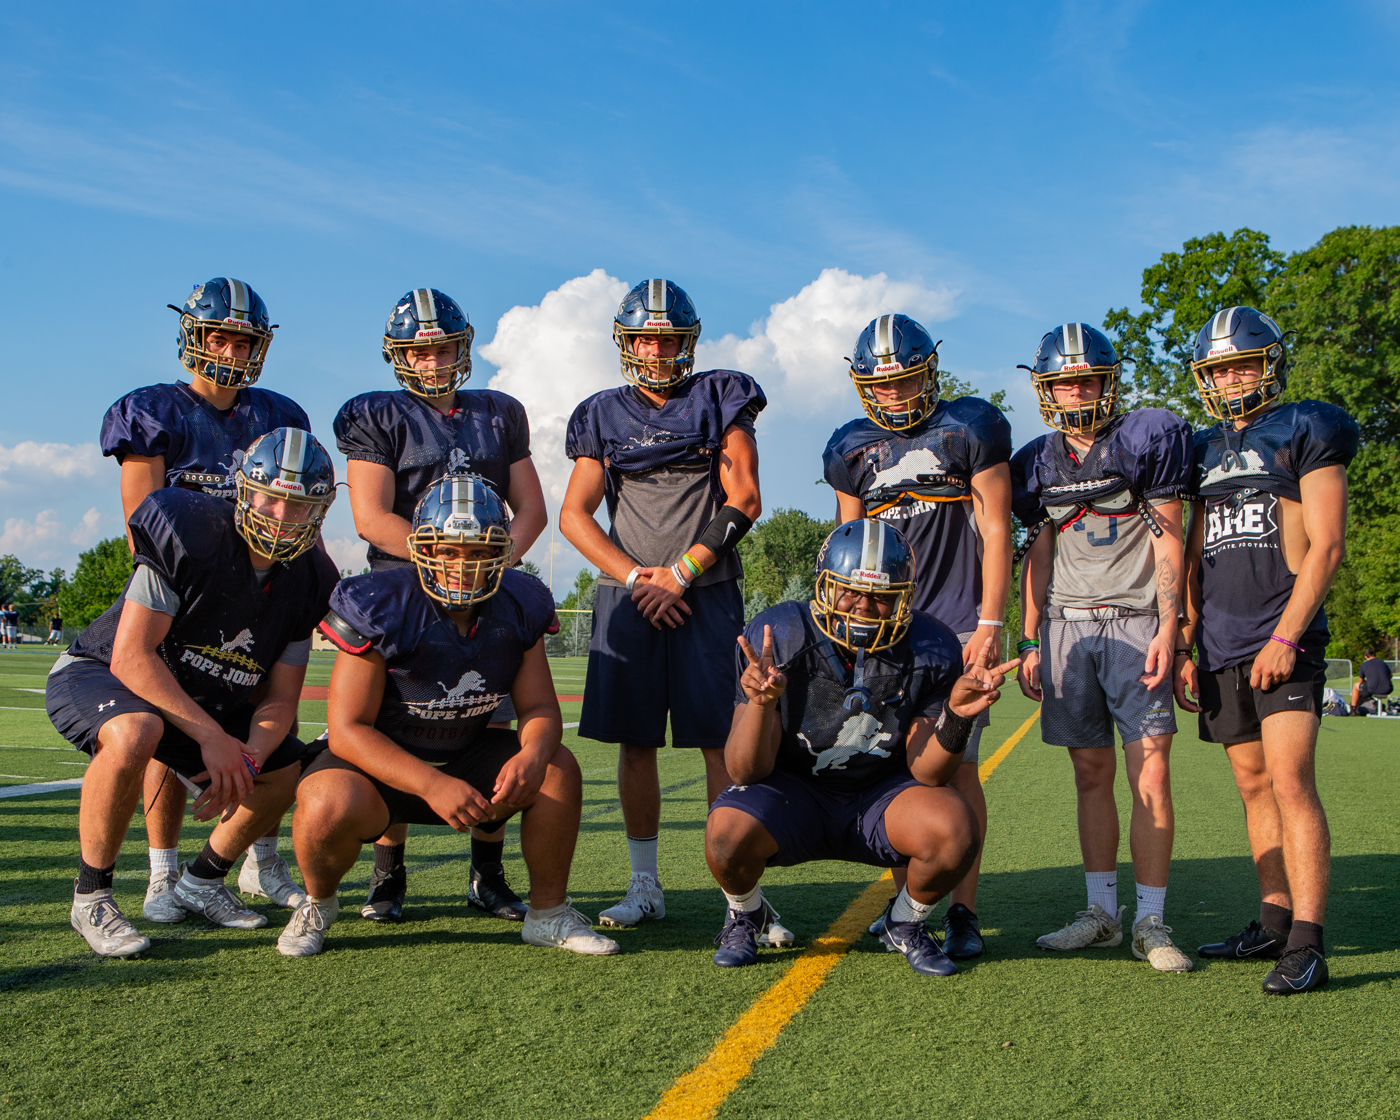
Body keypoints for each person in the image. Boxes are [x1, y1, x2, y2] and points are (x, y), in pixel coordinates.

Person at [280, 474, 617, 958]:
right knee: (323, 799)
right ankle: (319, 902)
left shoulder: (521, 603)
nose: (463, 565)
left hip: (466, 756)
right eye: (448, 550)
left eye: (479, 551)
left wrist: (535, 751)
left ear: (500, 552)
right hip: (383, 769)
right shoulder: (381, 601)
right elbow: (348, 730)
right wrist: (431, 785)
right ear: (423, 550)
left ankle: (547, 913)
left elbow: (540, 708)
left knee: (556, 768)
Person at [46, 429, 339, 957]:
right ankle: (92, 896)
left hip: (198, 698)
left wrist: (248, 756)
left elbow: (279, 700)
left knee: (288, 767)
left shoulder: (311, 577)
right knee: (138, 730)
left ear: (320, 511)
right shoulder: (193, 532)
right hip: (102, 673)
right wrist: (211, 738)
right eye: (269, 496)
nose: (279, 514)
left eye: (298, 505)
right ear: (242, 491)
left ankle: (203, 881)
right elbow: (132, 656)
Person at [559, 278, 780, 938]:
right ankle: (644, 884)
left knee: (720, 743)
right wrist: (636, 579)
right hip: (629, 601)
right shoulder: (602, 413)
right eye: (644, 338)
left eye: (668, 338)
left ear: (689, 342)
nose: (656, 350)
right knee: (636, 744)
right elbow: (574, 515)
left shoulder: (720, 397)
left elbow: (744, 497)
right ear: (626, 342)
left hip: (704, 595)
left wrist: (680, 574)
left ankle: (738, 897)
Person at [705, 519, 1016, 974]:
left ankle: (905, 922)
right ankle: (747, 912)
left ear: (905, 596)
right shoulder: (782, 633)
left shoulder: (932, 645)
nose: (866, 607)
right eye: (850, 591)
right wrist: (759, 705)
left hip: (880, 797)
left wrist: (956, 717)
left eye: (882, 596)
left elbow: (928, 773)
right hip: (797, 794)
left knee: (954, 828)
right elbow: (744, 771)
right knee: (726, 831)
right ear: (825, 587)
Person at [100, 277, 314, 920]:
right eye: (219, 333)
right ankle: (163, 873)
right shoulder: (154, 410)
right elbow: (145, 518)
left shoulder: (281, 413)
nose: (231, 347)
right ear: (193, 335)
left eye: (244, 337)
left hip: (261, 588)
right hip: (181, 593)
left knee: (275, 726)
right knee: (167, 726)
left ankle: (259, 862)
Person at [333, 288, 548, 925]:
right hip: (403, 590)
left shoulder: (498, 412)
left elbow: (530, 509)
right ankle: (387, 875)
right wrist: (444, 557)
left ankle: (488, 872)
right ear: (400, 355)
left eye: (445, 348)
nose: (433, 361)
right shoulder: (377, 414)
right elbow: (371, 517)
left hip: (483, 591)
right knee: (398, 725)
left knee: (483, 721)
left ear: (464, 346)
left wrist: (492, 563)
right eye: (421, 351)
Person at [1176, 306, 1359, 994]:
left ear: (1269, 364)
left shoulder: (1304, 428)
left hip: (1282, 639)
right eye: (1219, 370)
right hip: (1222, 642)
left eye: (1243, 365)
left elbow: (1328, 544)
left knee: (1290, 783)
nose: (1232, 380)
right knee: (1253, 788)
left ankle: (1309, 942)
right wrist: (1191, 640)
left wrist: (1286, 635)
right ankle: (1273, 921)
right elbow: (1196, 548)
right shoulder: (1200, 448)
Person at [824, 313, 1012, 959]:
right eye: (884, 386)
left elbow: (995, 532)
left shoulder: (967, 429)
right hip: (887, 633)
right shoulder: (853, 448)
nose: (896, 396)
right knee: (899, 769)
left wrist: (990, 622)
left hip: (956, 623)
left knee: (955, 768)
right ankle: (911, 908)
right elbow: (845, 549)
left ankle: (963, 912)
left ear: (928, 372)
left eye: (907, 381)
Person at [1012, 323, 1194, 972]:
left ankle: (1150, 918)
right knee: (1090, 774)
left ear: (1108, 380)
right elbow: (1038, 551)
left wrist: (1171, 630)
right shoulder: (1036, 460)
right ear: (1046, 389)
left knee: (1151, 771)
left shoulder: (1147, 438)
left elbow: (1170, 538)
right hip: (1067, 629)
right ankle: (1102, 913)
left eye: (1086, 378)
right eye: (1063, 380)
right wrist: (1031, 634)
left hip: (1137, 622)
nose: (1075, 390)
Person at [1351, 649, 1393, 715]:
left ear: (1366, 656)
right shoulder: (1383, 662)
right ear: (1375, 655)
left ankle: (1353, 710)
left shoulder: (1364, 664)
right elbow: (1390, 675)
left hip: (1372, 689)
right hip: (1388, 688)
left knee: (1356, 685)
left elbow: (1360, 681)